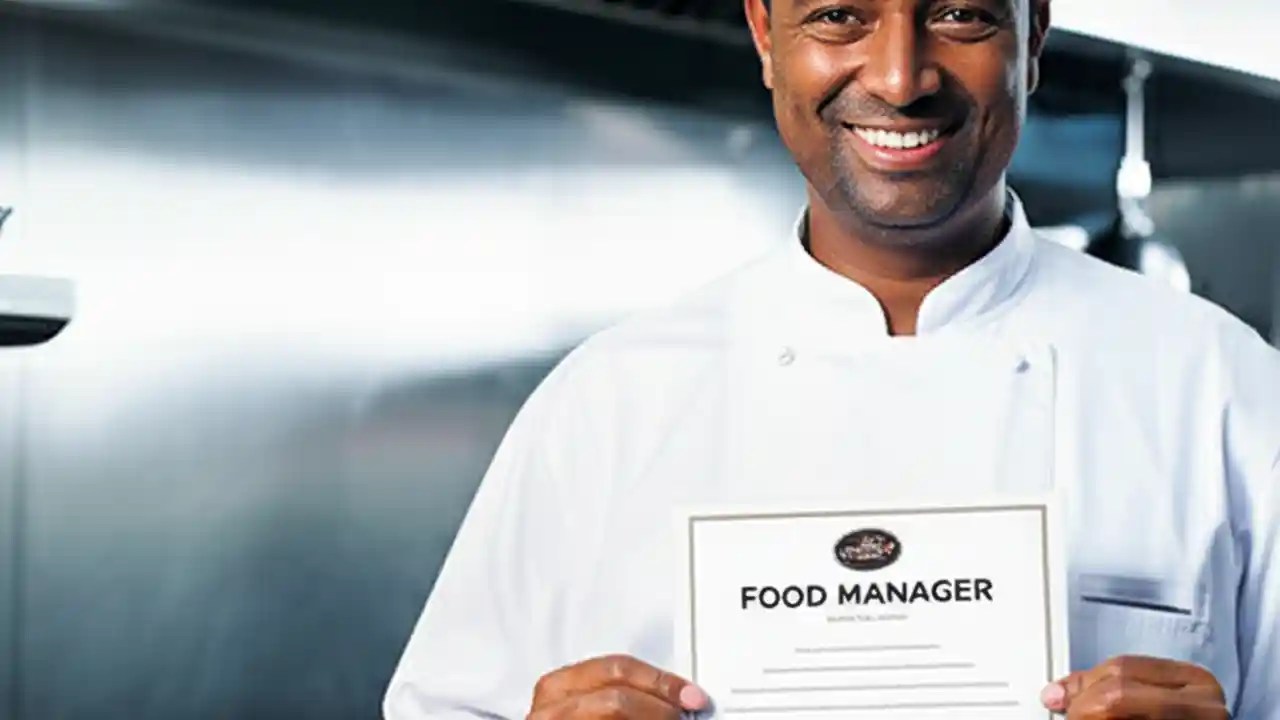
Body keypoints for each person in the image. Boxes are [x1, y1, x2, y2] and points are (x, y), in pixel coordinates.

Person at [384, 0, 1279, 717]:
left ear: (1034, 33)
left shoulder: (1223, 390)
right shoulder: (605, 403)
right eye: (840, 16)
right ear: (764, 33)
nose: (899, 77)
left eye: (960, 15)